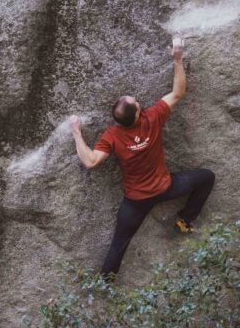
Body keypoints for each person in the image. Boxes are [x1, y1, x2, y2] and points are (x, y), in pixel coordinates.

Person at [68, 36, 215, 281]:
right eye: (136, 103)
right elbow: (178, 93)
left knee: (118, 245)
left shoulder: (113, 136)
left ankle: (105, 284)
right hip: (166, 188)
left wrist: (76, 132)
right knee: (207, 177)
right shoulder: (152, 117)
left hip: (135, 201)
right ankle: (185, 220)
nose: (138, 101)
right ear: (137, 114)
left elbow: (90, 161)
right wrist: (177, 60)